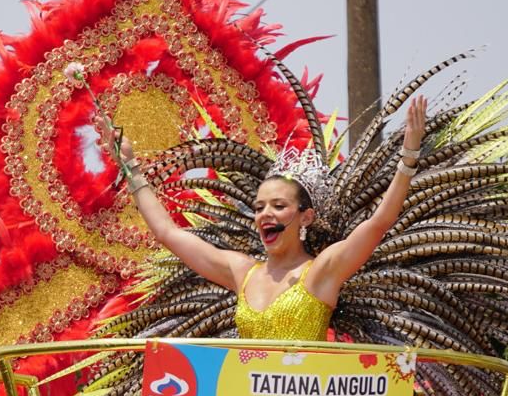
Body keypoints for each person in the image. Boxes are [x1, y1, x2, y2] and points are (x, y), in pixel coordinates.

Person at [115, 96, 427, 343]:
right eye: (260, 206)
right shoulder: (242, 272)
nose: (266, 213)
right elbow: (167, 232)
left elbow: (377, 224)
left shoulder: (321, 272)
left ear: (306, 217)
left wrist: (408, 158)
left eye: (278, 206)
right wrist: (130, 166)